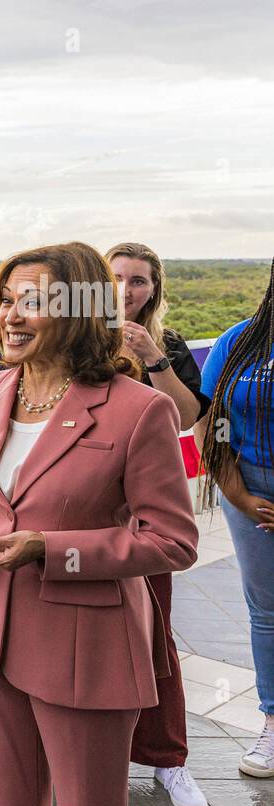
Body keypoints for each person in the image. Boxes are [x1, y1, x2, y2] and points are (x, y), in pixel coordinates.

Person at [0, 242, 197, 806]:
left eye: (31, 302)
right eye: (6, 301)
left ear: (81, 312)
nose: (9, 316)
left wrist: (46, 549)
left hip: (84, 651)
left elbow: (172, 540)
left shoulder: (139, 409)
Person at [107, 242, 211, 806]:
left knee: (154, 630)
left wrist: (155, 360)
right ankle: (88, 757)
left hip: (146, 504)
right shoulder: (76, 339)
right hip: (85, 500)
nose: (128, 289)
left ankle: (168, 759)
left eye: (139, 280)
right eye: (117, 277)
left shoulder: (165, 345)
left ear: (154, 288)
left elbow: (189, 418)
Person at [197, 259, 274, 777]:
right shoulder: (239, 342)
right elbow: (210, 422)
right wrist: (241, 497)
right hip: (247, 489)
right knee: (267, 612)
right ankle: (273, 722)